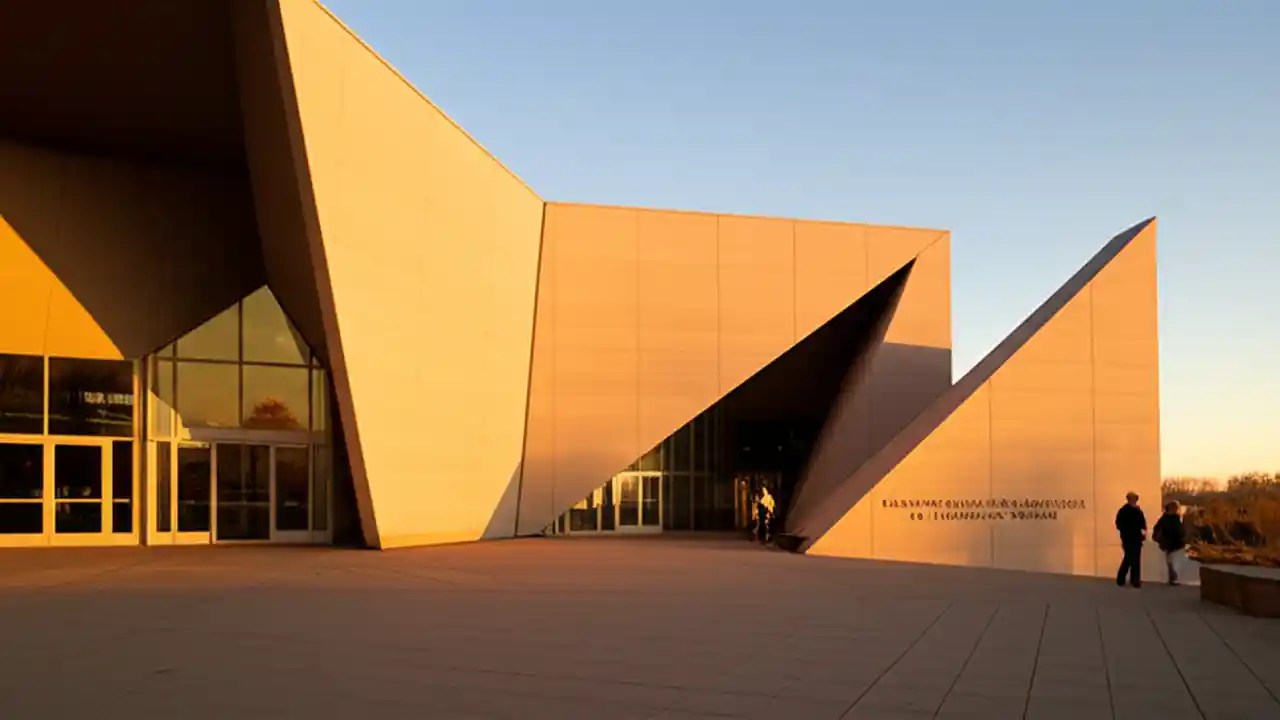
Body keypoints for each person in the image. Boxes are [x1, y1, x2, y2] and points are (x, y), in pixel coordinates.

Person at [1115, 491, 1147, 588]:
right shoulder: (1125, 511)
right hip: (1129, 538)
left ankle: (1130, 580)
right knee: (1130, 558)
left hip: (1135, 538)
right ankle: (1128, 579)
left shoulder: (1136, 510)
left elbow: (1142, 523)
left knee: (1133, 559)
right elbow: (1119, 524)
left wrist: (1143, 531)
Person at [1153, 501, 1187, 586]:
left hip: (1169, 543)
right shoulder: (1174, 519)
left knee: (1170, 561)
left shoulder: (1164, 519)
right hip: (1175, 543)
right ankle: (1173, 578)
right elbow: (1179, 530)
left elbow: (1157, 529)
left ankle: (1172, 577)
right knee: (1173, 561)